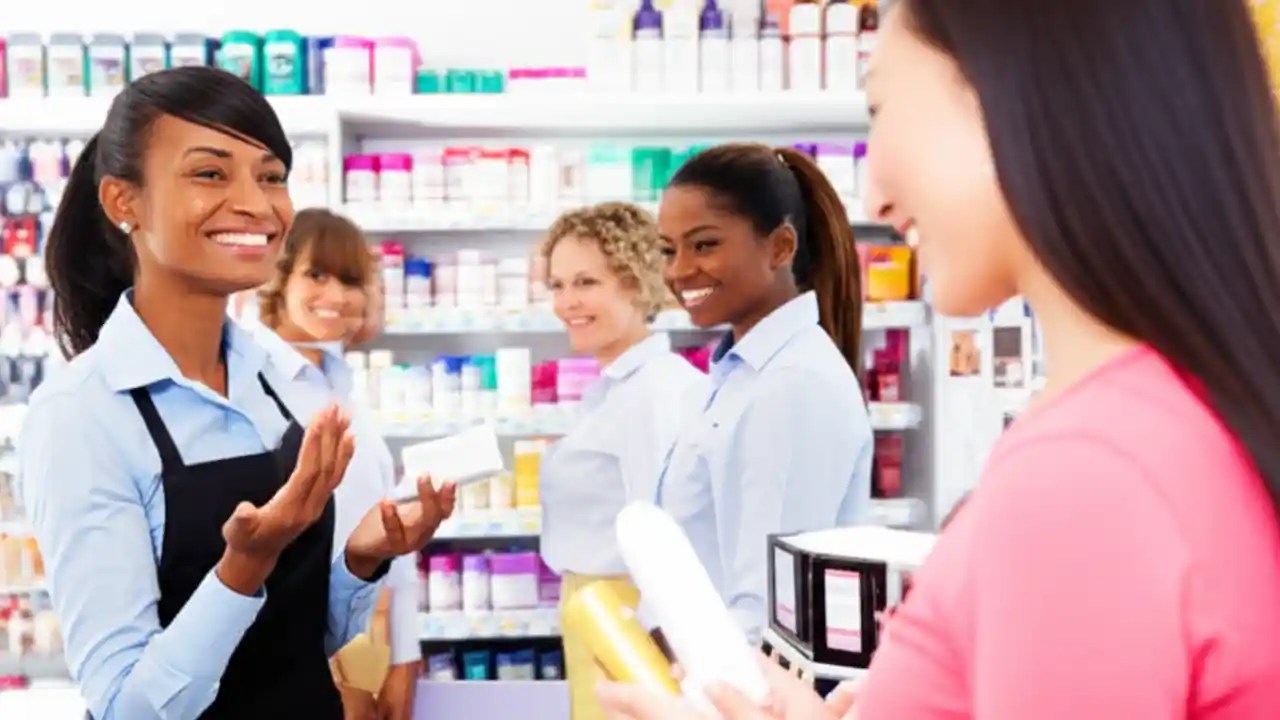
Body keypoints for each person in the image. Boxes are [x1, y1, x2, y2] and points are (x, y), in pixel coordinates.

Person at [598, 0, 1280, 718]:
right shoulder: (1164, 418)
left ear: (1016, 100)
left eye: (882, 108)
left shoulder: (1086, 473)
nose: (874, 194)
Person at [20, 66, 455, 720]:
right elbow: (128, 707)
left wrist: (362, 559)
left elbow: (301, 641)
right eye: (210, 173)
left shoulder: (275, 380)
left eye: (271, 176)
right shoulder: (81, 415)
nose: (257, 204)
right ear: (123, 202)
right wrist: (246, 564)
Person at [654, 143, 872, 645]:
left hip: (746, 680)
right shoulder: (737, 376)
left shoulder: (794, 384)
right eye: (669, 250)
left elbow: (771, 605)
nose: (679, 270)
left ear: (780, 247)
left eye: (703, 245)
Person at [536, 203, 705, 720]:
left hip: (629, 622)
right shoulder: (616, 388)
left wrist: (660, 643)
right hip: (599, 615)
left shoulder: (659, 392)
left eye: (586, 282)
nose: (567, 302)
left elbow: (668, 531)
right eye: (557, 285)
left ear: (637, 282)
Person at [254, 208, 421, 720]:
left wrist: (403, 655)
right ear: (279, 277)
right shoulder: (249, 383)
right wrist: (327, 668)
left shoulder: (339, 384)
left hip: (368, 639)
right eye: (316, 274)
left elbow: (384, 520)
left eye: (350, 280)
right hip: (299, 649)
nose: (336, 295)